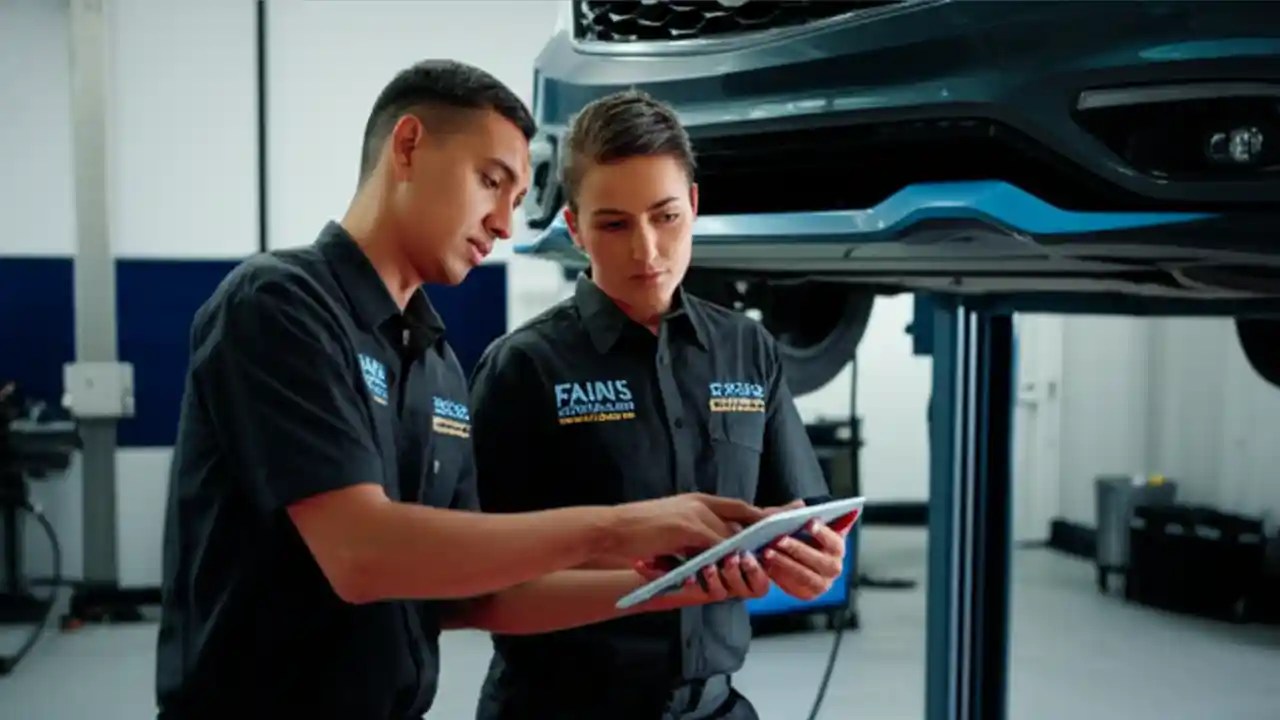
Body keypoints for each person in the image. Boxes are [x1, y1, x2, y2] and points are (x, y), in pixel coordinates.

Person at [154, 60, 772, 720]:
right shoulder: (281, 304)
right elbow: (360, 553)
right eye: (492, 181)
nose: (505, 224)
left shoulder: (437, 363)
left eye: (515, 198)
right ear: (409, 145)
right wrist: (618, 528)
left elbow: (475, 597)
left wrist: (677, 587)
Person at [468, 90, 853, 720]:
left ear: (694, 205)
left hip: (715, 706)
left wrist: (813, 562)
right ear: (574, 226)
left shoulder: (746, 349)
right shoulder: (525, 369)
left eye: (666, 216)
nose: (646, 251)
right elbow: (476, 575)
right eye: (614, 223)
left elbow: (801, 515)